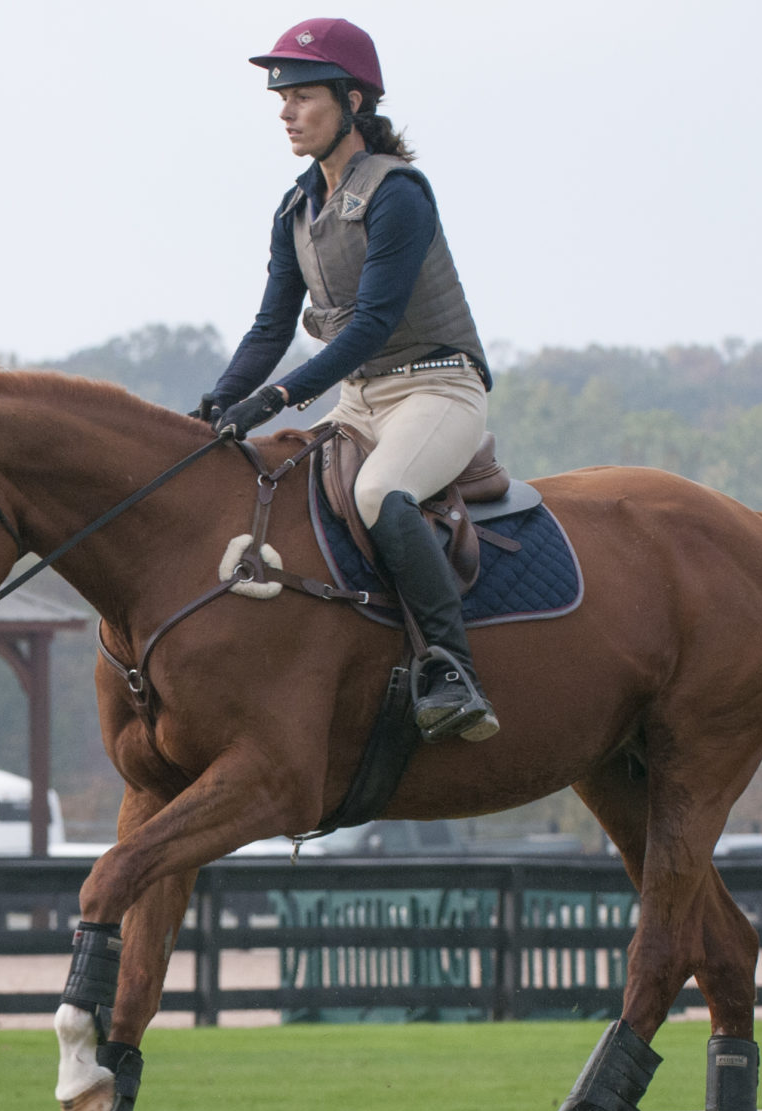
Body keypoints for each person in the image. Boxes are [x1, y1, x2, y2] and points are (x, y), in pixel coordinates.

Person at [201, 18, 500, 743]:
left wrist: (275, 397)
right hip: (362, 400)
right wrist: (213, 404)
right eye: (281, 98)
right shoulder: (296, 207)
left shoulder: (399, 194)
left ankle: (451, 671)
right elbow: (271, 327)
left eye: (303, 96)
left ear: (354, 102)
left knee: (377, 494)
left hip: (437, 389)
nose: (285, 111)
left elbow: (369, 325)